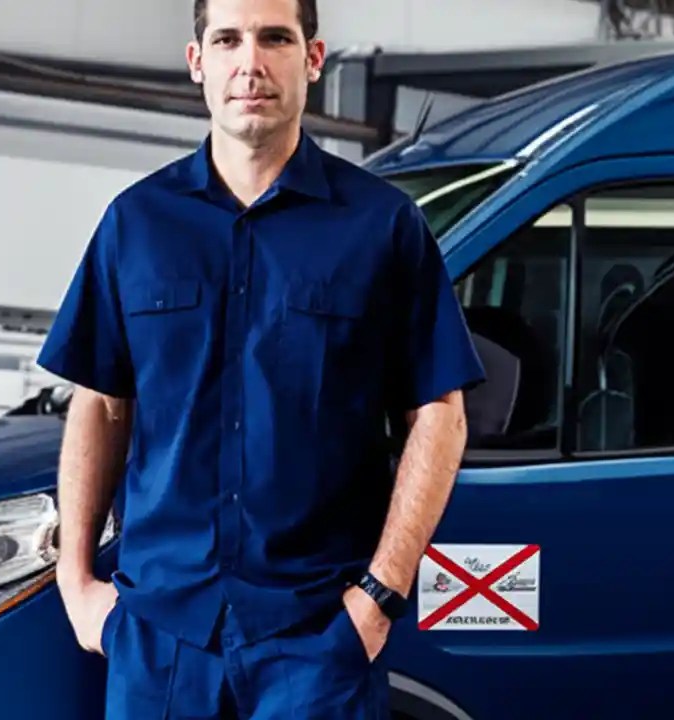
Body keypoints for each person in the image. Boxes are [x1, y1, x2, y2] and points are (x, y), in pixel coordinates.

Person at [35, 0, 486, 716]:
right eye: (228, 40)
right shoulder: (137, 223)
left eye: (276, 37)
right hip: (160, 642)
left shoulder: (381, 226)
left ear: (312, 58)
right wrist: (77, 585)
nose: (251, 62)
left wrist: (377, 598)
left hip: (313, 643)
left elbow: (440, 413)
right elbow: (100, 402)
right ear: (198, 63)